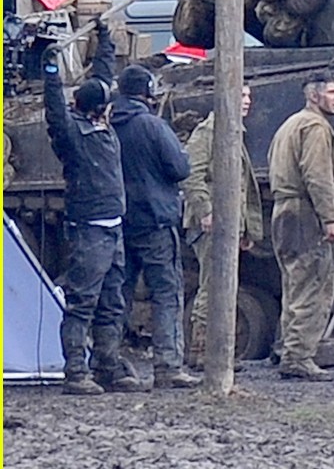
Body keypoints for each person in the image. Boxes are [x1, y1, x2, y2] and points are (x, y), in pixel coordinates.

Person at [42, 23, 146, 394]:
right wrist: (51, 70)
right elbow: (55, 109)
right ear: (100, 109)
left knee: (113, 302)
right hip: (89, 228)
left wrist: (106, 42)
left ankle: (107, 364)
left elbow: (103, 77)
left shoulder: (104, 126)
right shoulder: (72, 134)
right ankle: (76, 372)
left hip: (112, 227)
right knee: (83, 302)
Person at [111, 63, 198, 389]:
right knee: (166, 292)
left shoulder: (107, 123)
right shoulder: (152, 125)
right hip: (155, 219)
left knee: (118, 293)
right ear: (147, 91)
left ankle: (109, 362)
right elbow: (179, 168)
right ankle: (167, 365)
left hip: (120, 219)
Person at [267, 71, 334, 381]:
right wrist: (330, 218)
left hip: (283, 209)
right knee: (312, 283)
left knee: (294, 284)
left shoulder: (289, 125)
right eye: (332, 92)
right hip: (304, 213)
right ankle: (298, 356)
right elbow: (317, 175)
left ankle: (288, 348)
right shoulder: (315, 127)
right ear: (314, 95)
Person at [182, 83, 264, 369]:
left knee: (222, 285)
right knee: (212, 285)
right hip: (211, 223)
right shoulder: (209, 132)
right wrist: (204, 211)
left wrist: (245, 228)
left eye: (248, 96)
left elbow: (242, 187)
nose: (247, 102)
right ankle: (201, 350)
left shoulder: (233, 133)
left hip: (228, 223)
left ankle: (213, 352)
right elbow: (191, 174)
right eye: (241, 95)